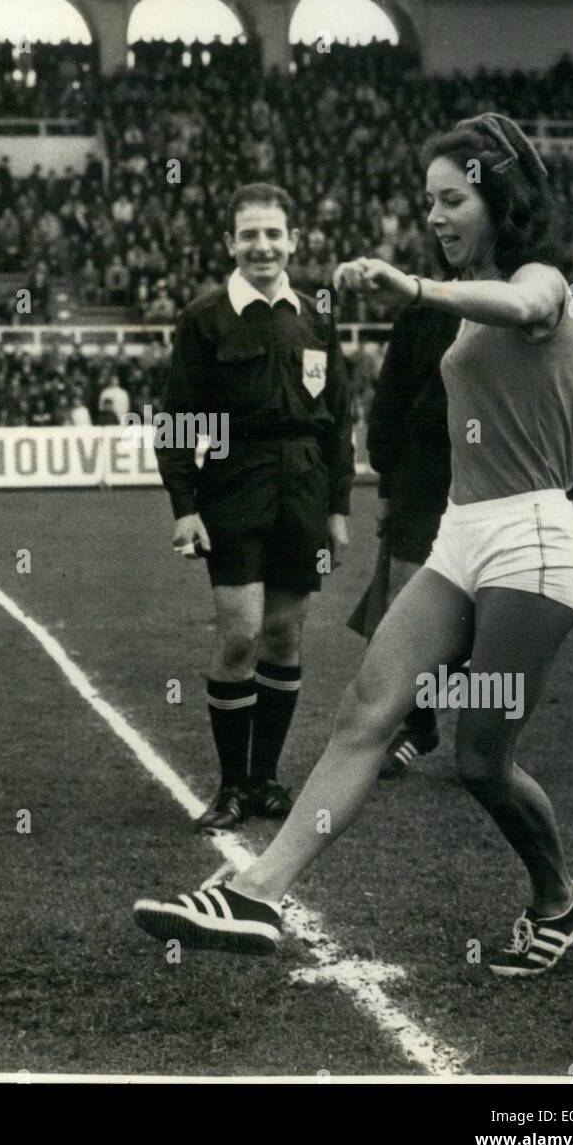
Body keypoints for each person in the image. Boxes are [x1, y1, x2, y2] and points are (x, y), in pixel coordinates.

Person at [135, 115, 573, 975]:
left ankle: (561, 899)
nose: (435, 216)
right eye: (429, 201)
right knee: (369, 707)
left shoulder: (537, 282)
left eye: (453, 199)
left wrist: (412, 288)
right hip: (463, 534)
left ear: (499, 195)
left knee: (482, 758)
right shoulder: (471, 299)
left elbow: (529, 310)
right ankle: (257, 893)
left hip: (531, 546)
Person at [154, 182, 355, 831]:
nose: (263, 246)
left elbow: (339, 422)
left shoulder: (315, 319)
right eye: (250, 235)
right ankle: (232, 786)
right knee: (239, 636)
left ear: (292, 241)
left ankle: (268, 780)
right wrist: (184, 505)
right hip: (234, 485)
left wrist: (338, 508)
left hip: (303, 487)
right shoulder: (204, 318)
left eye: (274, 234)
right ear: (230, 244)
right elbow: (178, 420)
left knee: (285, 635)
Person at [348, 295, 461, 777]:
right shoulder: (422, 311)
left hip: (499, 469)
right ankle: (419, 724)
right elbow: (391, 398)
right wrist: (388, 486)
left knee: (491, 612)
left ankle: (490, 739)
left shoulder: (522, 300)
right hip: (423, 470)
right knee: (400, 603)